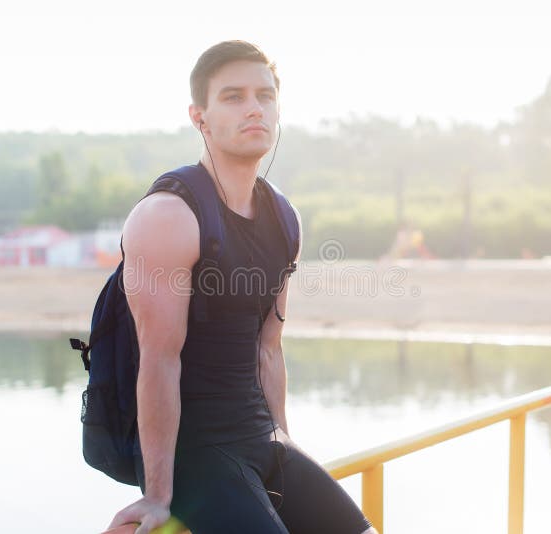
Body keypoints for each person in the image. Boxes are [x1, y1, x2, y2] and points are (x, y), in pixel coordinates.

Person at [106, 41, 378, 534]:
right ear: (200, 117)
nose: (255, 107)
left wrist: (287, 444)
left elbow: (268, 350)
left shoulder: (284, 218)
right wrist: (157, 495)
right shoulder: (168, 215)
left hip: (260, 437)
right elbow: (159, 359)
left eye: (265, 96)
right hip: (197, 453)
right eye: (232, 96)